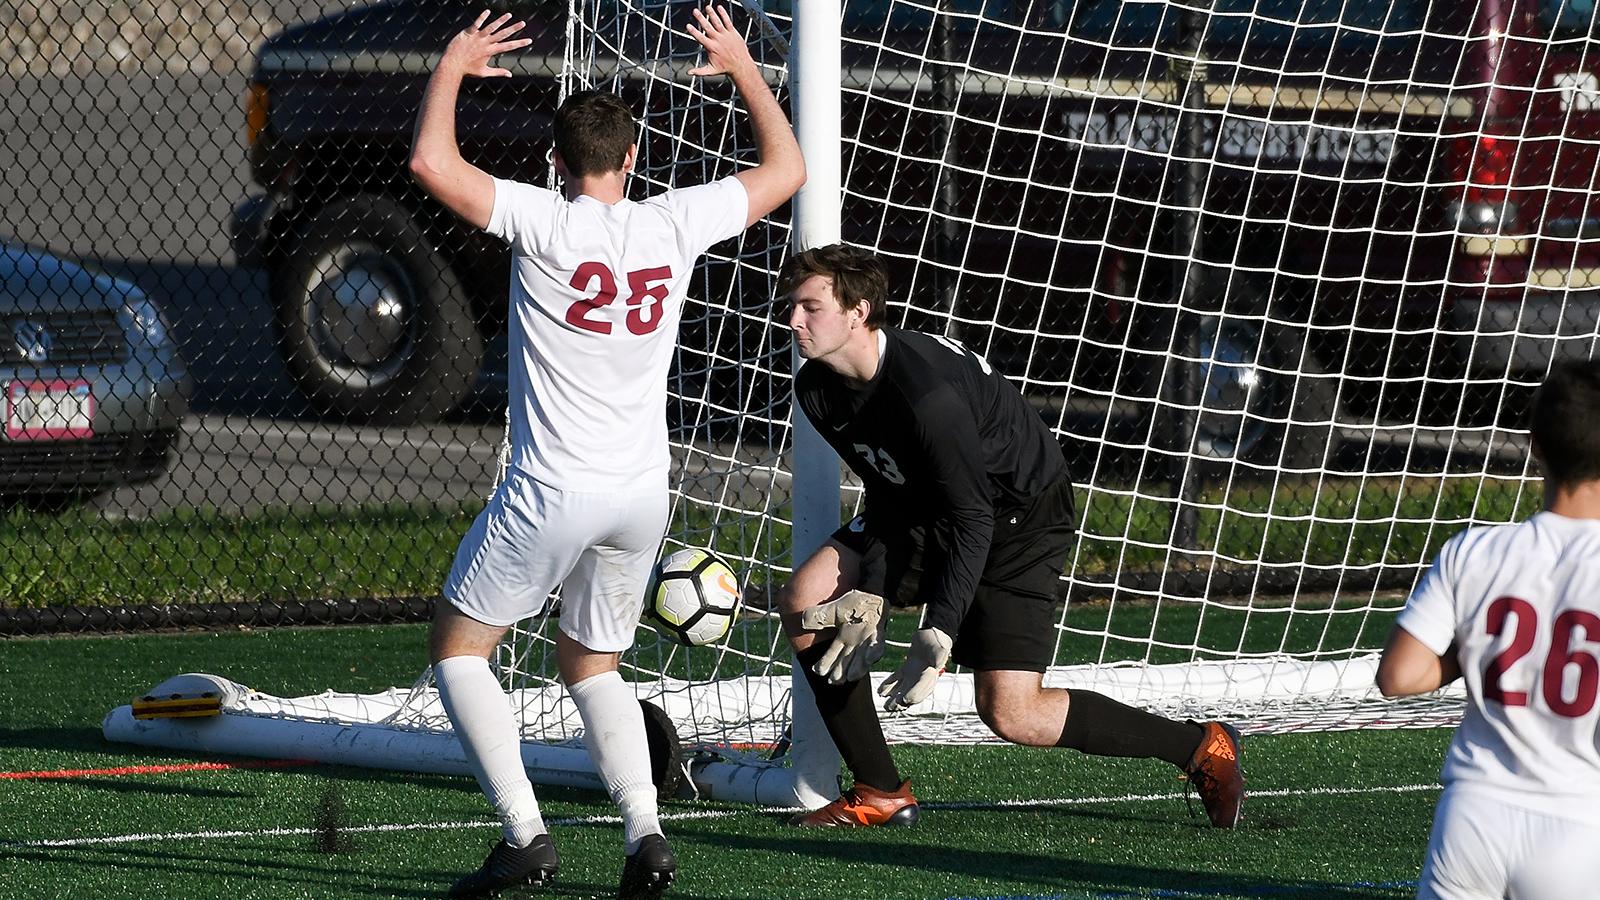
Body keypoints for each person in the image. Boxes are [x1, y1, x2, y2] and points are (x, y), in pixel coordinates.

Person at [408, 7, 803, 898]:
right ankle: (648, 836)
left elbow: (431, 162)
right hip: (641, 495)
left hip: (550, 490)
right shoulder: (671, 221)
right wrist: (741, 64)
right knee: (593, 665)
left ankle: (526, 838)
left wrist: (453, 66)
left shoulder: (543, 220)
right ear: (632, 161)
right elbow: (789, 168)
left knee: (459, 650)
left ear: (554, 163)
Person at [776, 244, 1244, 829]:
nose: (793, 320)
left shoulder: (926, 395)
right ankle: (881, 791)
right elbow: (891, 489)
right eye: (792, 306)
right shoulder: (818, 389)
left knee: (1013, 714)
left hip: (1018, 516)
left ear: (857, 311)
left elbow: (974, 516)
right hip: (930, 506)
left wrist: (939, 629)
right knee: (806, 600)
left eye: (810, 307)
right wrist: (871, 588)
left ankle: (1202, 747)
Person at [1376, 359, 1600, 900]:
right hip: (1577, 826)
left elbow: (1399, 677)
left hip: (1471, 818)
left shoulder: (1472, 550)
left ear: (1536, 446)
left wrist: (1480, 649)